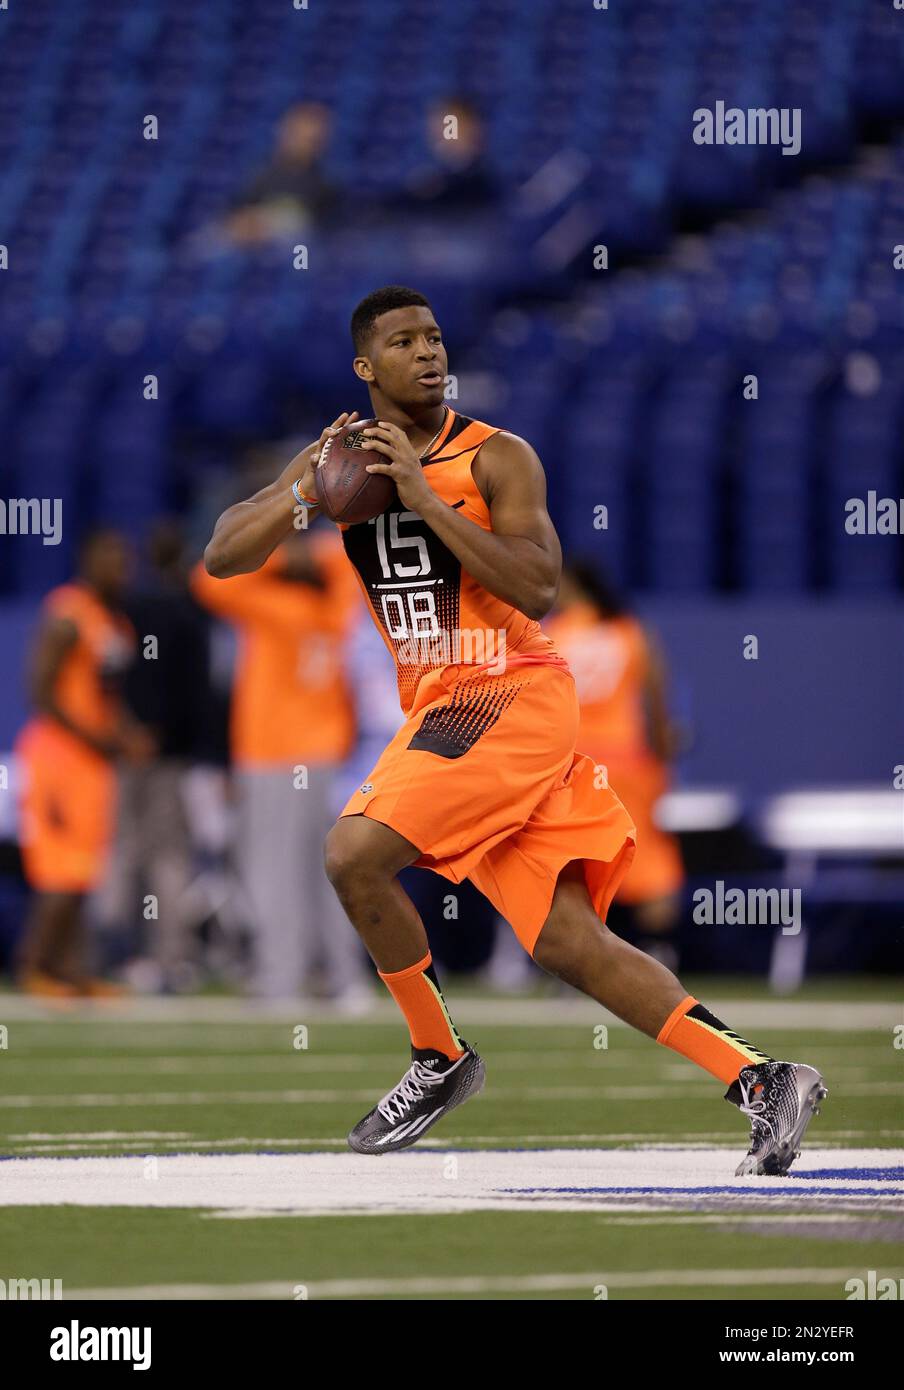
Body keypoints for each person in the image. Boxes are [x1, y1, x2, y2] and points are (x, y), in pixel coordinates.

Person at [202, 284, 827, 1176]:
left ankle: (438, 1057)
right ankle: (762, 1080)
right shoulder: (347, 461)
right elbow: (225, 554)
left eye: (434, 336)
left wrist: (424, 499)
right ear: (364, 367)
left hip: (507, 688)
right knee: (568, 942)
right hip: (443, 702)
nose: (427, 352)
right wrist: (301, 484)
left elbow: (538, 588)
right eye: (404, 341)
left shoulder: (499, 457)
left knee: (350, 853)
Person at [192, 524, 368, 1005]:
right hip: (330, 755)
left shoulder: (274, 606)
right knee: (331, 873)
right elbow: (346, 557)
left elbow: (206, 580)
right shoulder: (339, 606)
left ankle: (281, 980)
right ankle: (344, 978)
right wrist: (309, 556)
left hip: (274, 755)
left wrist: (278, 556)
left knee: (273, 874)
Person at [15, 530, 155, 997]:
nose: (121, 569)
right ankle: (34, 967)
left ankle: (71, 972)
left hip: (91, 763)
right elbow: (41, 692)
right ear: (88, 560)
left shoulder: (115, 624)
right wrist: (97, 739)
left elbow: (107, 697)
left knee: (84, 870)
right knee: (59, 871)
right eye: (111, 559)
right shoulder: (67, 614)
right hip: (57, 756)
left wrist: (127, 733)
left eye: (125, 560)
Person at [545, 561, 684, 966]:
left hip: (573, 763)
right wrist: (662, 753)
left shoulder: (553, 635)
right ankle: (660, 955)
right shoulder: (631, 633)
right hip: (626, 762)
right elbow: (657, 704)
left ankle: (574, 962)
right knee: (648, 859)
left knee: (575, 863)